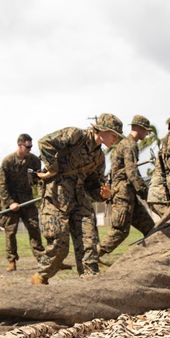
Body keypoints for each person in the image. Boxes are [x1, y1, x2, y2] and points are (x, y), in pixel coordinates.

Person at [31, 114, 116, 284]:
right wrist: (53, 169)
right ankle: (41, 277)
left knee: (89, 241)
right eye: (114, 134)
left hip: (79, 200)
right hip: (57, 197)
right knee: (59, 244)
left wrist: (102, 194)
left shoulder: (99, 157)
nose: (116, 139)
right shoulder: (76, 135)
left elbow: (92, 183)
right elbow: (44, 142)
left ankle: (90, 281)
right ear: (102, 130)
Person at [98, 115, 155, 261]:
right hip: (122, 194)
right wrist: (145, 192)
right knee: (120, 231)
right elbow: (132, 172)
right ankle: (92, 257)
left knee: (150, 229)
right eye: (146, 130)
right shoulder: (130, 145)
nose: (147, 134)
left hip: (128, 195)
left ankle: (149, 259)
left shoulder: (125, 144)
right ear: (140, 128)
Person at [0, 133, 45, 271]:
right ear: (20, 145)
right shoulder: (8, 161)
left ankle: (41, 258)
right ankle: (12, 260)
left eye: (31, 146)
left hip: (27, 200)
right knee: (10, 232)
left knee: (34, 228)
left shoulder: (35, 161)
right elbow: (2, 185)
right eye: (28, 147)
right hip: (11, 201)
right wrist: (10, 202)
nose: (30, 149)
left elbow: (38, 181)